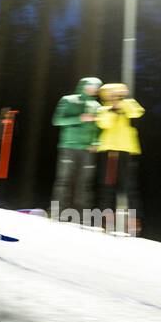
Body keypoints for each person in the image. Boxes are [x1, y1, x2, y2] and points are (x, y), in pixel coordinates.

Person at [94, 82, 145, 235]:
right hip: (110, 151)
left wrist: (122, 105)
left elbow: (138, 112)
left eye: (116, 94)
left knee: (128, 186)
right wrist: (113, 110)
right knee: (108, 186)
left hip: (126, 150)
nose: (114, 97)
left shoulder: (127, 104)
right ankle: (105, 220)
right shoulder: (103, 109)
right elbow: (104, 124)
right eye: (111, 94)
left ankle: (134, 221)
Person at [51, 76, 103, 218]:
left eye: (97, 87)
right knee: (64, 180)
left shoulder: (97, 107)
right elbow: (57, 120)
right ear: (84, 85)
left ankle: (80, 217)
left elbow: (99, 129)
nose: (94, 89)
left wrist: (96, 143)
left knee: (85, 183)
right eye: (92, 85)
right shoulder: (68, 100)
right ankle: (57, 213)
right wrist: (79, 118)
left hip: (87, 150)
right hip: (69, 146)